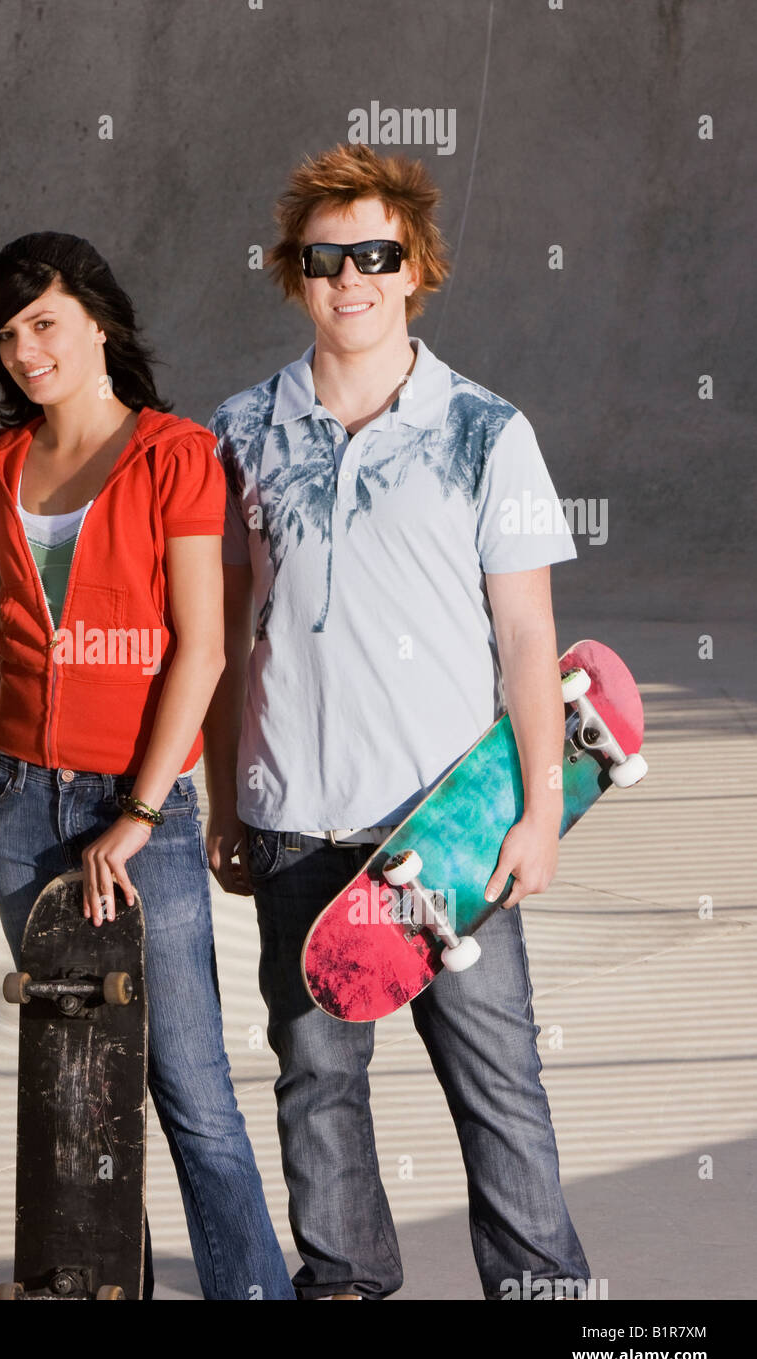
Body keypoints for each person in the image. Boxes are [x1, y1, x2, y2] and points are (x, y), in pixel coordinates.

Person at [204, 143, 588, 1300]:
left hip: (446, 828)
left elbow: (529, 642)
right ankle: (344, 1283)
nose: (351, 278)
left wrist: (538, 807)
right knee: (314, 1084)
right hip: (294, 820)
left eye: (375, 254)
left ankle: (544, 1292)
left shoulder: (485, 430)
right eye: (325, 260)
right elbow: (224, 635)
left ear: (414, 266)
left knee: (497, 1081)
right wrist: (227, 801)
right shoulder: (240, 430)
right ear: (295, 276)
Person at [0, 232, 293, 1300]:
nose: (26, 350)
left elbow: (203, 643)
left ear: (97, 321)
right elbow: (8, 650)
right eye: (6, 336)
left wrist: (140, 813)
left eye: (44, 322)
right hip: (21, 807)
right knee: (75, 1091)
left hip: (134, 812)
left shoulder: (176, 456)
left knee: (186, 1085)